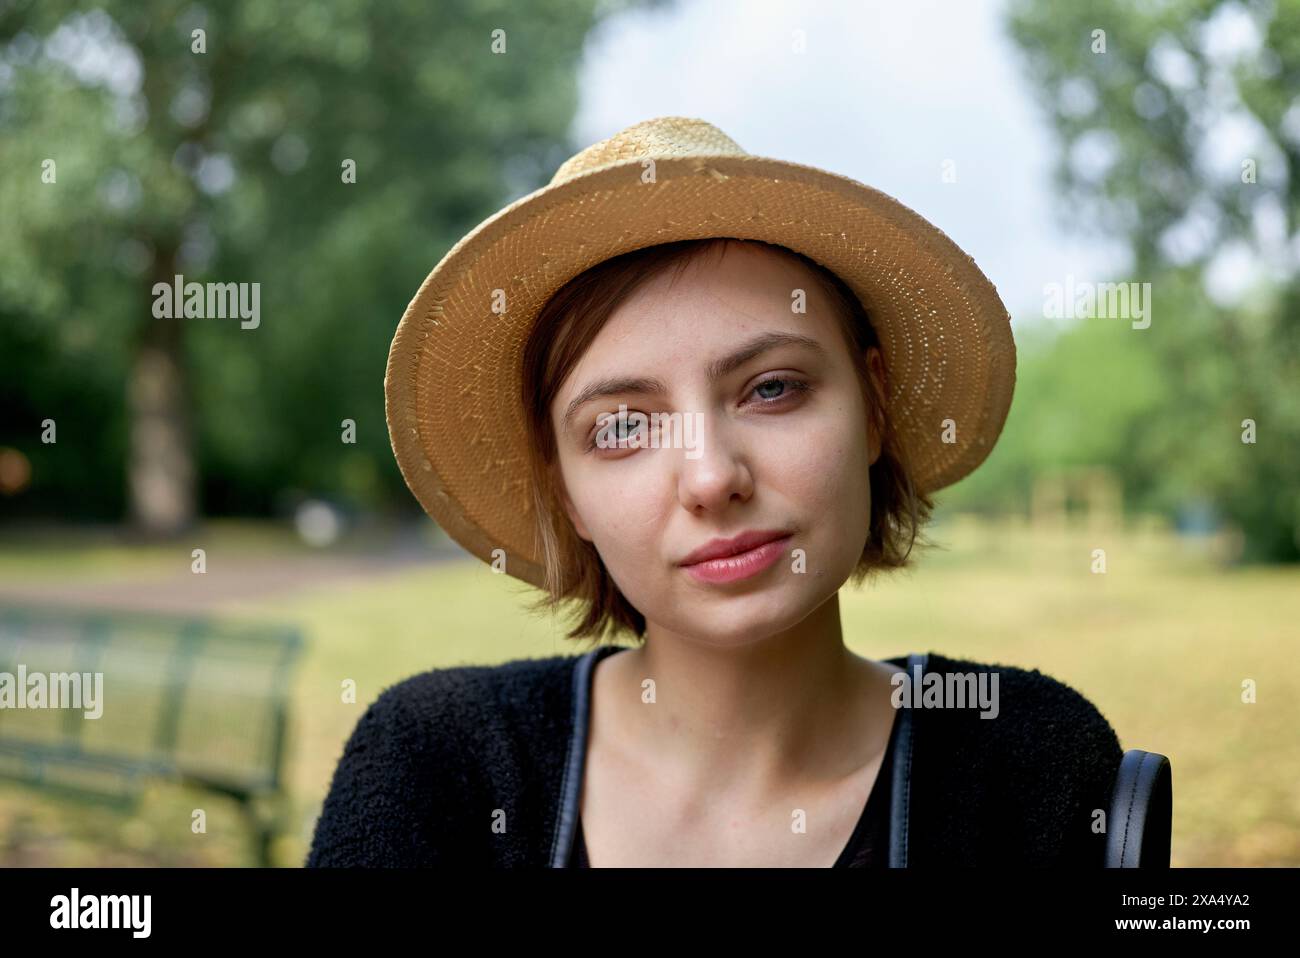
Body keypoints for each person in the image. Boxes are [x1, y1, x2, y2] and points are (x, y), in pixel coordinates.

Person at [306, 116, 1123, 868]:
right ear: (567, 495)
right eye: (622, 428)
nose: (710, 478)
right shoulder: (440, 766)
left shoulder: (1025, 759)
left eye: (771, 389)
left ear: (873, 407)